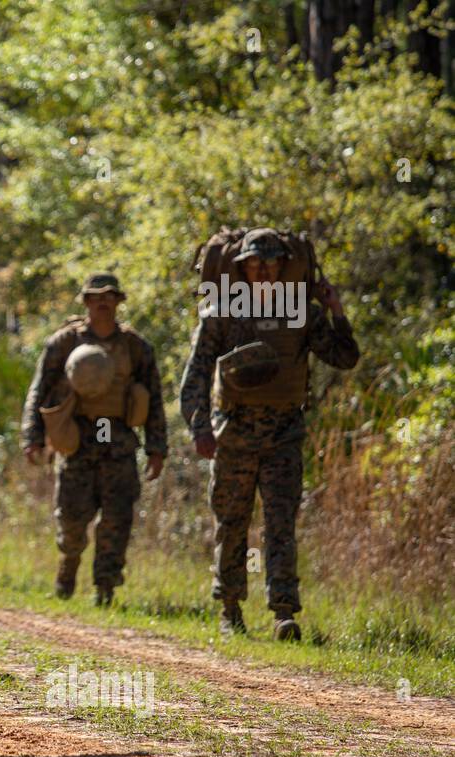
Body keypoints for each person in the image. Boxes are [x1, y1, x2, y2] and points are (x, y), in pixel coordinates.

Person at [179, 228, 359, 640]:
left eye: (272, 262)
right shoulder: (221, 314)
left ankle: (283, 613)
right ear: (242, 267)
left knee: (281, 524)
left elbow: (345, 357)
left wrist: (336, 309)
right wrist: (201, 429)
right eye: (256, 263)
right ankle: (230, 610)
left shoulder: (302, 313)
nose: (264, 270)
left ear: (282, 266)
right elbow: (194, 380)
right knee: (231, 522)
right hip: (235, 435)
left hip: (283, 435)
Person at [22, 273, 167, 606]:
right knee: (72, 518)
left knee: (117, 518)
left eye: (109, 296)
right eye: (95, 297)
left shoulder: (136, 347)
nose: (102, 302)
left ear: (118, 301)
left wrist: (157, 448)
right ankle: (69, 564)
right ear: (85, 302)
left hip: (118, 442)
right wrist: (33, 437)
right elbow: (39, 389)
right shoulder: (64, 343)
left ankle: (105, 586)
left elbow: (154, 399)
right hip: (76, 440)